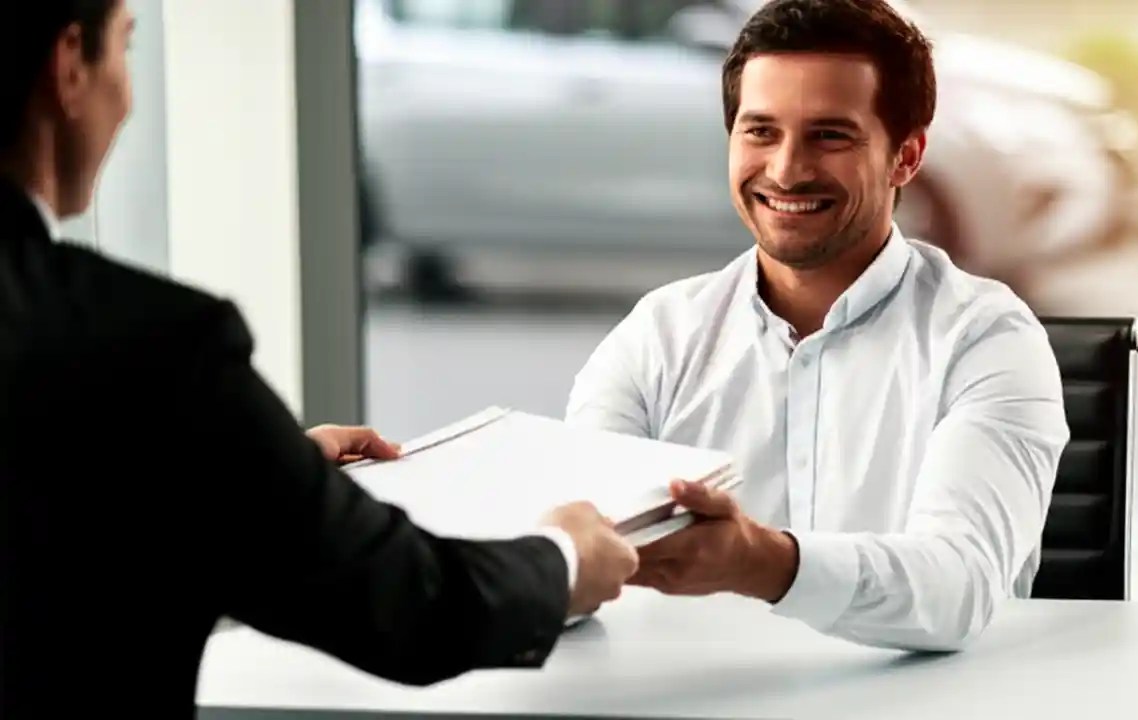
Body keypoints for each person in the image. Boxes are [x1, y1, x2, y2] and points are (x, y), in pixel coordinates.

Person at [0, 1, 638, 715]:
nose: (129, 96)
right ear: (69, 68)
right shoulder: (155, 346)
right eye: (124, 50)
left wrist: (250, 472)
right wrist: (564, 559)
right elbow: (410, 603)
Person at [566, 0, 1068, 652]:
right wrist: (414, 514)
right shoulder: (657, 336)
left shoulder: (988, 339)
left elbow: (959, 586)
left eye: (830, 135)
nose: (786, 170)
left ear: (907, 156)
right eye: (761, 132)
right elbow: (577, 551)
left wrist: (761, 561)